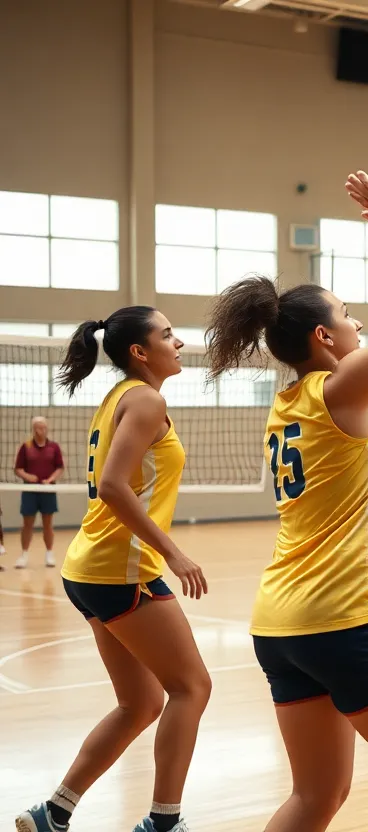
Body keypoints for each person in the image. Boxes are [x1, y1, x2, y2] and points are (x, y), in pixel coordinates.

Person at [203, 170, 368, 832]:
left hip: (279, 624)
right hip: (347, 618)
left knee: (316, 797)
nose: (357, 324)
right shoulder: (338, 392)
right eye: (347, 316)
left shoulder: (287, 401)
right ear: (324, 340)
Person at [16, 308, 211, 832]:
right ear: (139, 353)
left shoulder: (120, 395)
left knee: (141, 702)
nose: (180, 342)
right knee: (193, 688)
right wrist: (174, 552)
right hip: (119, 569)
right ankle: (163, 824)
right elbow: (113, 486)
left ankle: (53, 812)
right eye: (168, 334)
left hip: (92, 566)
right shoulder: (146, 399)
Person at [13, 416, 64, 569]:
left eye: (42, 427)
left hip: (48, 489)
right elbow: (18, 469)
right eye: (36, 427)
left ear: (46, 428)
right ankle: (23, 554)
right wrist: (29, 477)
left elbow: (60, 467)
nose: (39, 430)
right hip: (29, 490)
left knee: (48, 523)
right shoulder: (26, 446)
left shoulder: (54, 447)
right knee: (27, 523)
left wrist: (50, 480)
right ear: (32, 428)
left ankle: (49, 554)